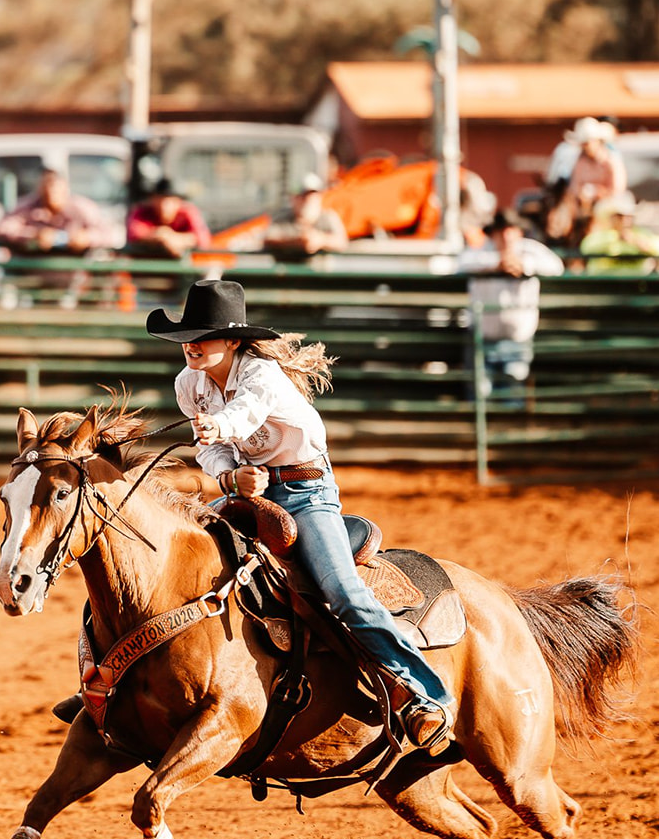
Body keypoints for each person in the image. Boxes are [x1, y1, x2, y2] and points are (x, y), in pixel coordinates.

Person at [146, 278, 455, 752]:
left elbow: (243, 416)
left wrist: (218, 429)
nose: (191, 344)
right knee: (173, 553)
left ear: (232, 340)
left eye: (203, 335)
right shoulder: (188, 383)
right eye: (187, 337)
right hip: (249, 492)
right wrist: (231, 479)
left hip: (306, 492)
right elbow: (213, 455)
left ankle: (424, 695)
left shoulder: (261, 375)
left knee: (342, 591)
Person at [459, 210, 563, 407]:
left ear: (519, 233)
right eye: (501, 231)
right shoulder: (481, 251)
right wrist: (495, 265)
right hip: (483, 339)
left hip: (517, 341)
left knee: (513, 396)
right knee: (481, 398)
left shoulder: (530, 251)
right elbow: (460, 263)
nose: (506, 237)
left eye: (510, 231)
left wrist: (525, 265)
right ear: (493, 234)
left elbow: (556, 266)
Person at [0, 166, 116, 255]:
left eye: (57, 191)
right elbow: (1, 230)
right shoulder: (26, 207)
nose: (52, 195)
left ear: (66, 189)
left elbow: (108, 233)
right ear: (40, 190)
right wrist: (34, 235)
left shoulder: (82, 208)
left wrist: (86, 238)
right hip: (33, 272)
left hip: (74, 273)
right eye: (48, 190)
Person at [546, 118, 627, 241]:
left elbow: (617, 190)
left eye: (587, 143)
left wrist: (597, 193)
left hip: (607, 206)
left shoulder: (611, 161)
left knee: (600, 214)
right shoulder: (580, 161)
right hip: (583, 205)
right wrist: (581, 196)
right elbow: (575, 186)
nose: (585, 147)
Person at [580, 194, 659, 275]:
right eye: (620, 216)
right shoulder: (603, 234)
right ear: (612, 217)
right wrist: (616, 239)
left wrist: (640, 243)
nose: (624, 220)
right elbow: (586, 247)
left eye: (628, 216)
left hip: (637, 285)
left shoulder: (640, 233)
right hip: (604, 285)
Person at [264, 175, 348, 259]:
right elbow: (268, 239)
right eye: (303, 195)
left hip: (320, 268)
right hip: (286, 268)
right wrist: (297, 243)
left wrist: (321, 240)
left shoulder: (328, 217)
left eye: (311, 195)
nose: (307, 199)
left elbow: (342, 242)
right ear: (294, 197)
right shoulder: (282, 217)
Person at [126, 177, 211, 258]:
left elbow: (203, 239)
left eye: (169, 200)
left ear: (178, 201)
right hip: (145, 268)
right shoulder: (141, 212)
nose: (164, 206)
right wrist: (160, 235)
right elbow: (134, 234)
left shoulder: (188, 212)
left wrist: (174, 238)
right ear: (152, 199)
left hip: (180, 270)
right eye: (160, 199)